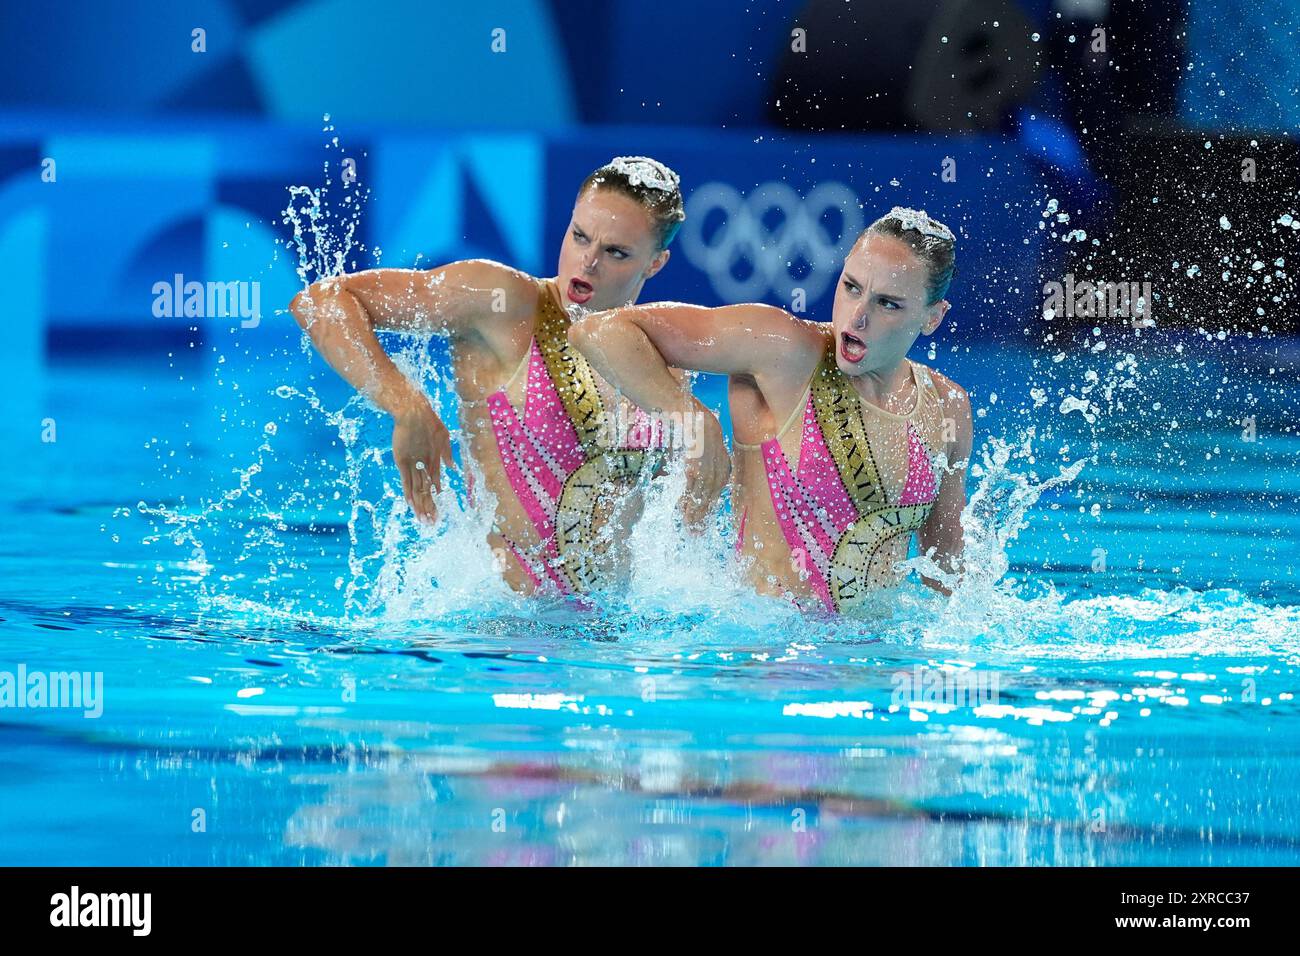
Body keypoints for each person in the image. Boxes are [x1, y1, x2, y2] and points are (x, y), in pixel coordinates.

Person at [289, 156, 729, 597]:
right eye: (579, 236)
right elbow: (321, 301)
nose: (588, 261)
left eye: (616, 252)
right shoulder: (504, 305)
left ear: (655, 263)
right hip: (501, 636)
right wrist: (406, 405)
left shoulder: (661, 358)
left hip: (608, 640)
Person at [570, 207, 973, 613]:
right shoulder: (784, 351)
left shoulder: (946, 407)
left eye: (887, 303)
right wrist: (691, 419)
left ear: (932, 317)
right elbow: (600, 332)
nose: (859, 316)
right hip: (766, 658)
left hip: (873, 662)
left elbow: (946, 575)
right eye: (851, 287)